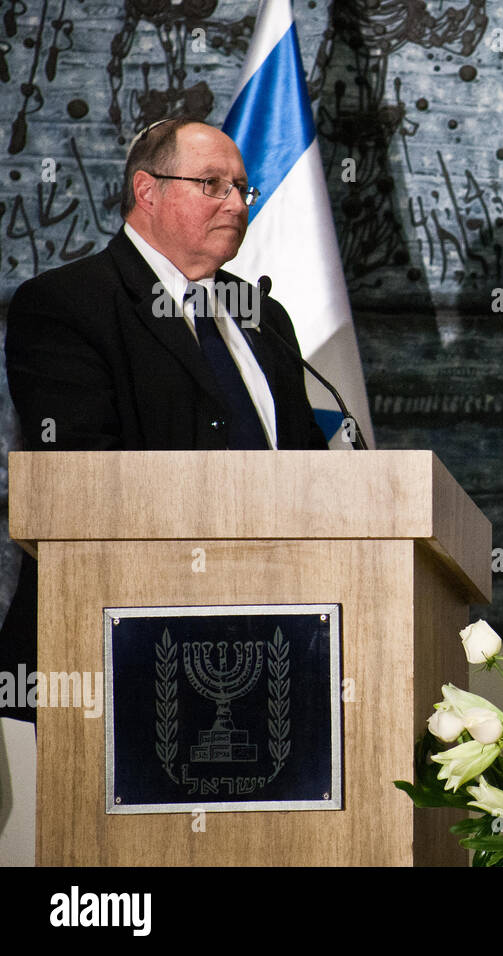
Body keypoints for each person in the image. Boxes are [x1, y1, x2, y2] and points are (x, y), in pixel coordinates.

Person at [1, 117, 327, 721]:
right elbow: (81, 479)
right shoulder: (68, 303)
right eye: (212, 184)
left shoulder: (264, 317)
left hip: (270, 643)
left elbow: (309, 469)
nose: (236, 202)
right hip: (113, 650)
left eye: (241, 189)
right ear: (147, 191)